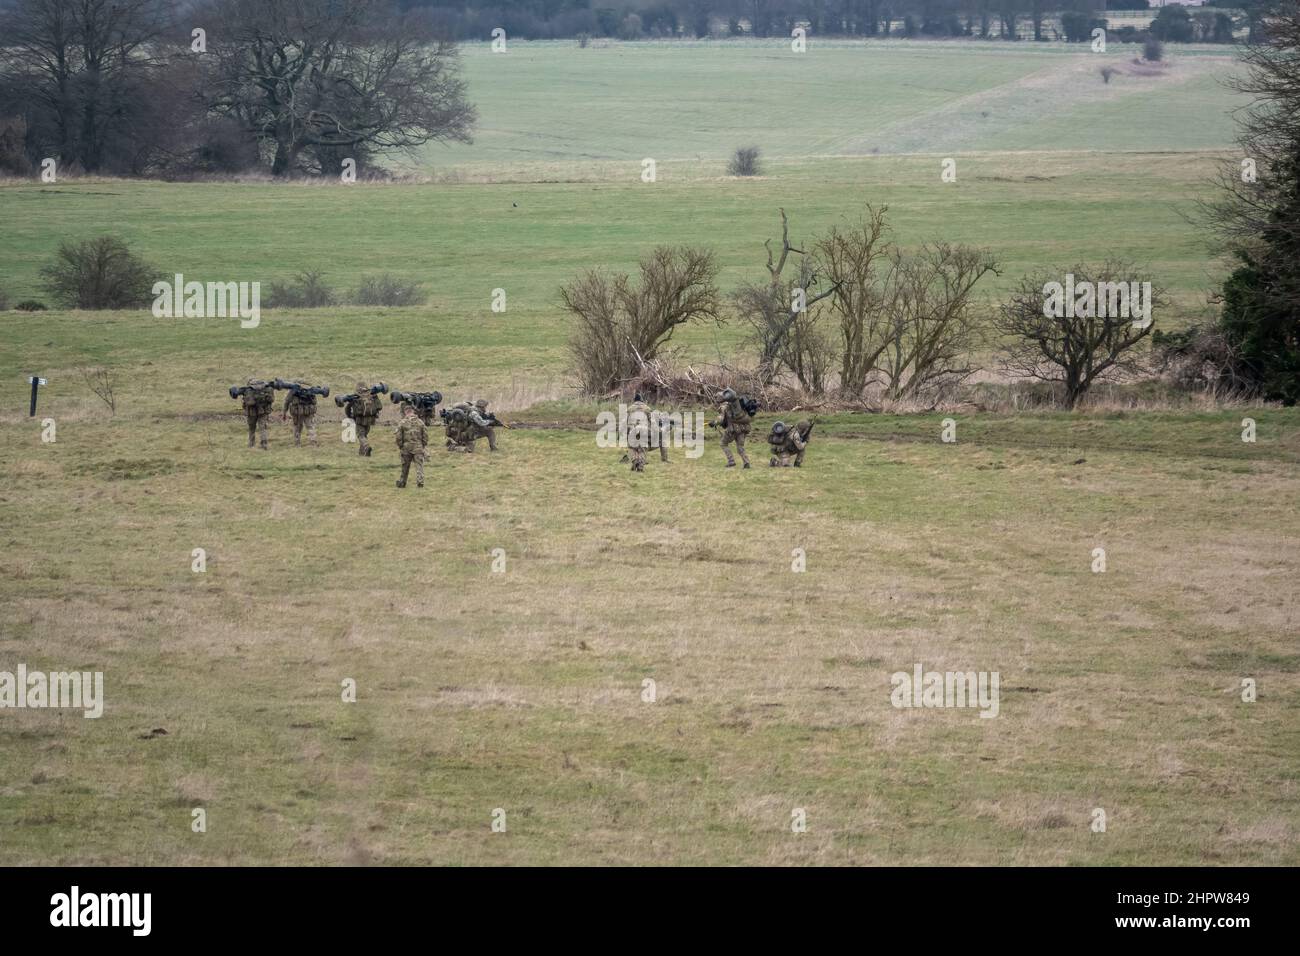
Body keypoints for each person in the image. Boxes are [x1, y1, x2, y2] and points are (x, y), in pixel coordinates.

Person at [715, 387, 753, 468]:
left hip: (732, 430)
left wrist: (714, 422)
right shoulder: (737, 404)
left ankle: (731, 461)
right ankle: (746, 462)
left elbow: (721, 419)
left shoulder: (725, 406)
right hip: (742, 429)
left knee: (723, 443)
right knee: (740, 447)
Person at [345, 382, 382, 457]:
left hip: (360, 420)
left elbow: (347, 409)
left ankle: (366, 446)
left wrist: (350, 416)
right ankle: (362, 454)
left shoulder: (355, 397)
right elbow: (380, 406)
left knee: (360, 435)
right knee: (364, 435)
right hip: (370, 420)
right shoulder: (372, 395)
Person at [395, 404, 427, 488]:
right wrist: (423, 445)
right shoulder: (420, 422)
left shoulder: (402, 422)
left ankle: (402, 482)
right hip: (418, 447)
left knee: (405, 466)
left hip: (406, 447)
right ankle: (420, 482)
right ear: (413, 411)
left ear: (406, 412)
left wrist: (401, 446)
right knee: (419, 466)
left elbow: (398, 437)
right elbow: (425, 436)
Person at [238, 378, 274, 449]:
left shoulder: (248, 390)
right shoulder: (266, 388)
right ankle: (264, 444)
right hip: (264, 411)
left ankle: (251, 444)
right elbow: (272, 399)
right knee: (262, 427)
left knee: (252, 428)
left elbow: (249, 403)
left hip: (252, 413)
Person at [282, 381, 320, 446]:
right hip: (309, 411)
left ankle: (297, 444)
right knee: (310, 426)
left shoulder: (293, 389)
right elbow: (314, 402)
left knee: (297, 427)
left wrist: (284, 412)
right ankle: (313, 442)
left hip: (297, 412)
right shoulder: (310, 389)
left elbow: (287, 401)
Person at [626, 394, 652, 472]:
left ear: (634, 400)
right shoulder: (647, 408)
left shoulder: (629, 408)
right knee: (642, 449)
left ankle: (634, 462)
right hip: (643, 430)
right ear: (641, 400)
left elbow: (626, 421)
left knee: (632, 448)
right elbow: (652, 421)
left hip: (632, 430)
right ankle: (640, 467)